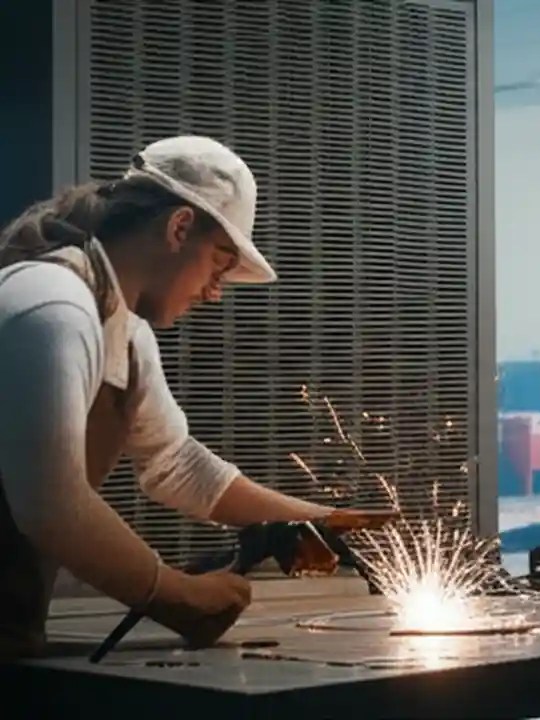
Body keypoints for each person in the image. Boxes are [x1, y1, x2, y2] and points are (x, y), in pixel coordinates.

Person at [0, 136, 394, 660]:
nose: (215, 291)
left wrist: (320, 519)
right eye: (219, 263)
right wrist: (177, 595)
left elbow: (177, 465)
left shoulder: (124, 331)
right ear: (180, 228)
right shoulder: (53, 305)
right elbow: (50, 505)